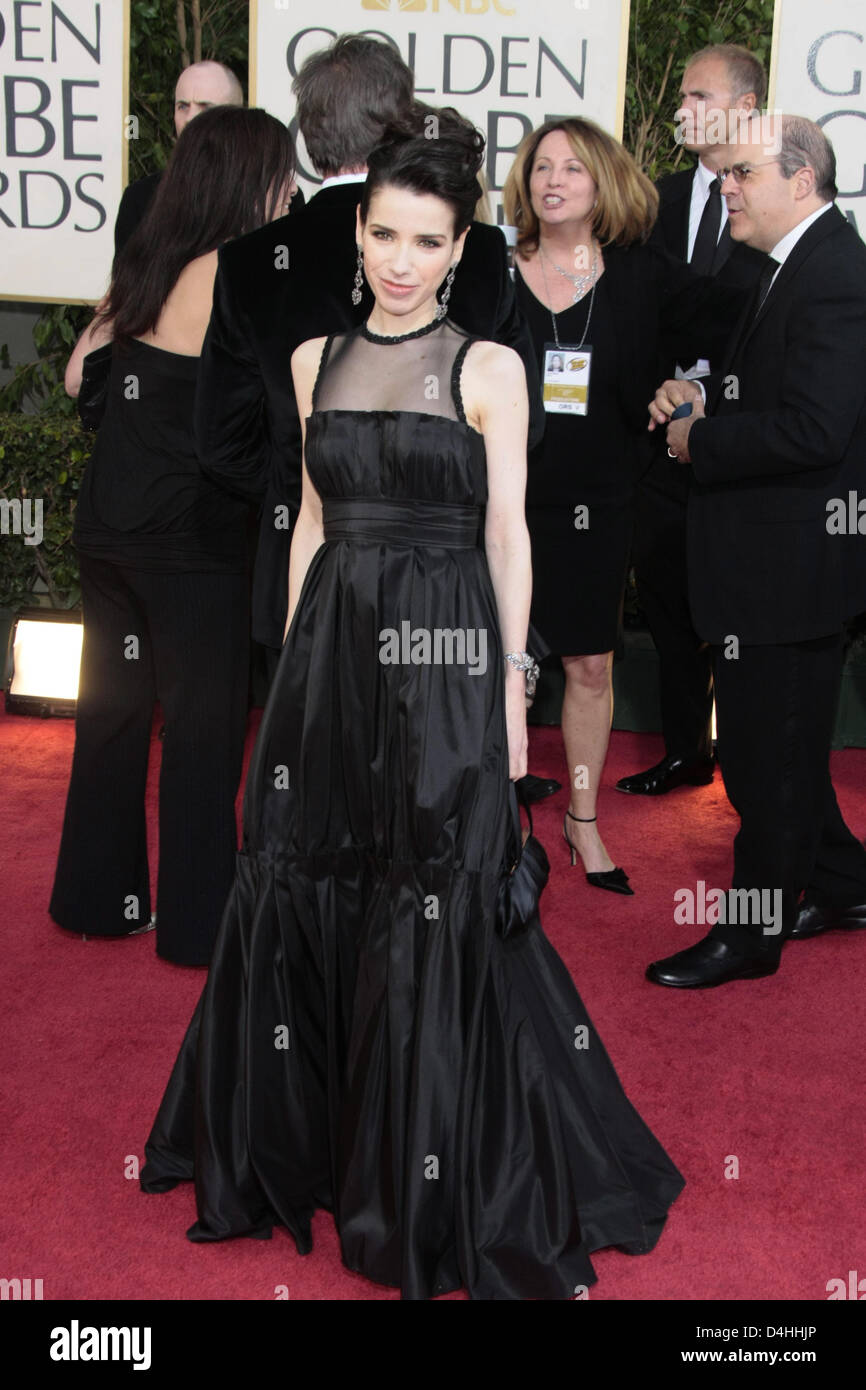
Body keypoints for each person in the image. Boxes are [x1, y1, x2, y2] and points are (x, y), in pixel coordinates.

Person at [139, 120, 684, 1300]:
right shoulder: (311, 360)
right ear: (358, 231)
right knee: (305, 876)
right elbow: (313, 527)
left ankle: (428, 1172)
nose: (397, 259)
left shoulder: (487, 367)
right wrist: (286, 676)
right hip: (329, 654)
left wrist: (506, 699)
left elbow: (507, 538)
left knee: (434, 887)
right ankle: (315, 1142)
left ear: (457, 248)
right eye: (381, 232)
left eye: (424, 240)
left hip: (442, 659)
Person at [192, 34, 544, 686]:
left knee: (317, 780)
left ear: (308, 133)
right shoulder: (486, 251)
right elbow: (529, 431)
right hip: (447, 592)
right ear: (400, 121)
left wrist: (319, 486)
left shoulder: (249, 261)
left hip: (311, 589)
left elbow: (219, 444)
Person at [49, 108, 297, 967]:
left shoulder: (148, 262)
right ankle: (200, 928)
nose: (292, 192)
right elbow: (269, 408)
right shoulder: (237, 270)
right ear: (250, 181)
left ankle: (98, 900)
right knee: (202, 730)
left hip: (109, 530)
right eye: (281, 175)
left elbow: (83, 377)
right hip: (190, 542)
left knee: (112, 716)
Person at [646, 113, 866, 989]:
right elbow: (759, 381)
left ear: (801, 180)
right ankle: (846, 883)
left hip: (794, 567)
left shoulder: (838, 276)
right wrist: (695, 389)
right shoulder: (787, 265)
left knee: (759, 753)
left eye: (741, 174)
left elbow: (815, 428)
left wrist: (700, 440)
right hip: (771, 561)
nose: (724, 187)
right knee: (783, 746)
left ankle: (750, 933)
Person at [503, 117, 744, 895]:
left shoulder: (643, 275)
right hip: (500, 500)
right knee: (494, 667)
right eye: (542, 167)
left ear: (602, 181)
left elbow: (740, 327)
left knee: (590, 664)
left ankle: (581, 820)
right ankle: (487, 820)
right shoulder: (491, 274)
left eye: (572, 168)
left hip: (601, 499)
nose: (553, 181)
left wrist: (691, 389)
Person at [620, 44, 768, 798]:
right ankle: (687, 751)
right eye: (680, 95)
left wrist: (708, 394)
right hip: (656, 436)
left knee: (735, 613)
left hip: (738, 443)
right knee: (670, 606)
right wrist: (659, 388)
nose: (682, 109)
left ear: (745, 107)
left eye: (698, 95)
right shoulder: (657, 199)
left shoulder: (772, 202)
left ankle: (749, 767)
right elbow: (640, 310)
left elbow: (760, 325)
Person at [114, 61, 253, 255]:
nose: (190, 118)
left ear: (238, 118)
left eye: (205, 106)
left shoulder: (273, 195)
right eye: (182, 106)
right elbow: (126, 283)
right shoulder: (140, 200)